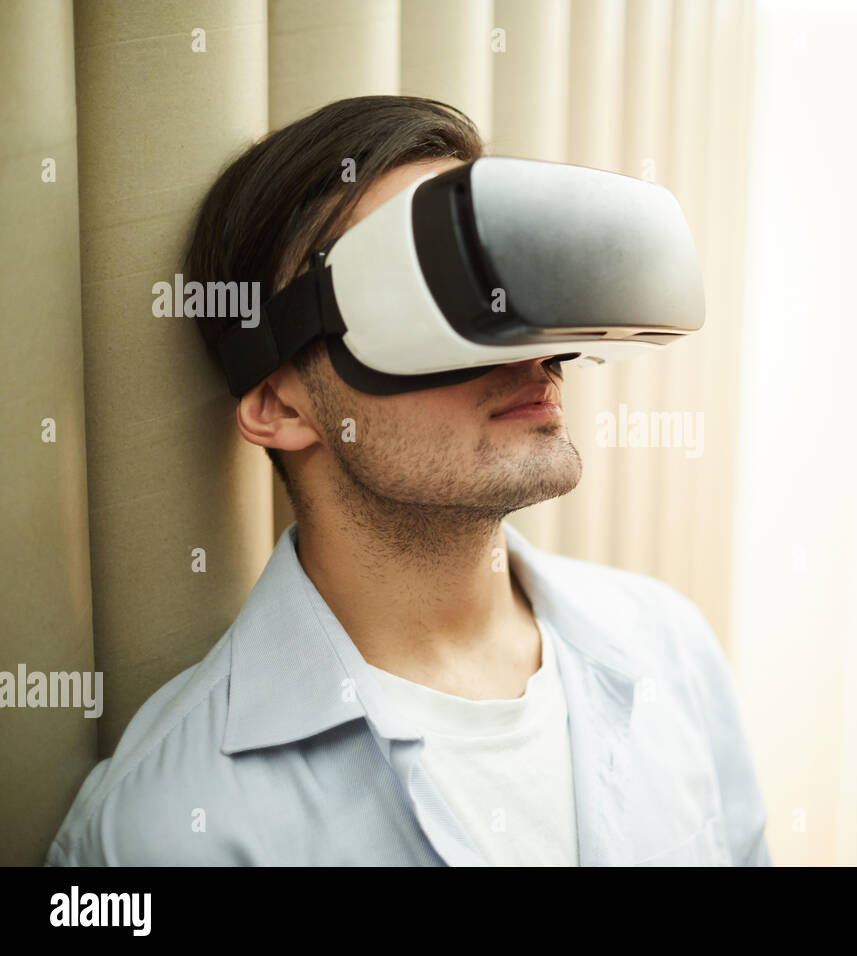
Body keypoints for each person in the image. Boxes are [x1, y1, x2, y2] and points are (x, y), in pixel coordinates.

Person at [45, 95, 771, 866]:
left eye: (508, 276)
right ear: (280, 404)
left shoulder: (669, 647)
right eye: (433, 291)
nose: (529, 349)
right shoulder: (167, 824)